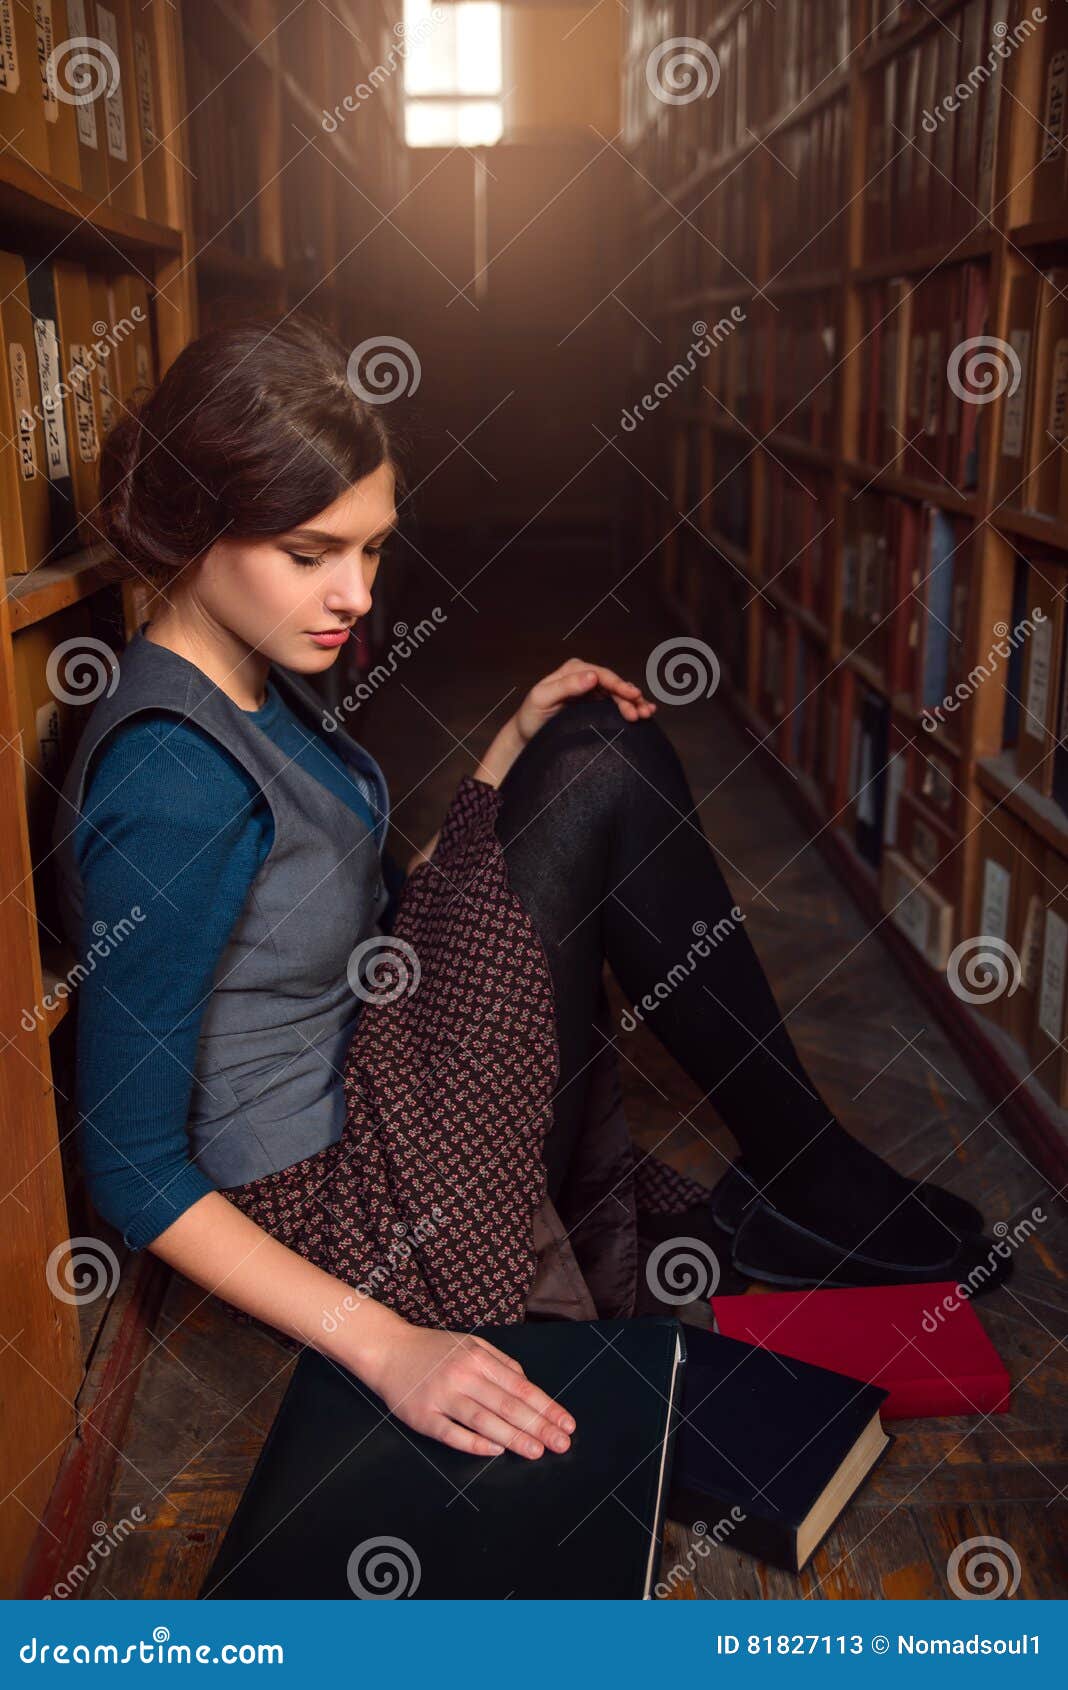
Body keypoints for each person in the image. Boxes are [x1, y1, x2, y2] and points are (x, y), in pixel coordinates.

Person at [52, 313, 1007, 1468]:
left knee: (590, 733)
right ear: (199, 526)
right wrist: (389, 1346)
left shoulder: (256, 667)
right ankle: (813, 1174)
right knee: (603, 767)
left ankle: (811, 1170)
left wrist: (508, 743)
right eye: (313, 554)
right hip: (342, 1203)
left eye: (373, 548)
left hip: (382, 1062)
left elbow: (335, 916)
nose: (354, 595)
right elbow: (132, 1164)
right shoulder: (171, 780)